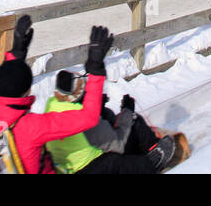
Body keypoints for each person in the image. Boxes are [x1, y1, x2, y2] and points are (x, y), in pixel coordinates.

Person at [0, 16, 113, 174]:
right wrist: (95, 68)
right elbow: (89, 117)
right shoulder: (31, 128)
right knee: (113, 163)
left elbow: (6, 87)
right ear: (27, 91)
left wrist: (16, 54)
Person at [43, 74, 177, 174]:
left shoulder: (52, 105)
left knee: (109, 116)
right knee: (132, 123)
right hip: (90, 166)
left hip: (68, 166)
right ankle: (153, 161)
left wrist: (98, 108)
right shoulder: (83, 117)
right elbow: (117, 145)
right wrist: (127, 111)